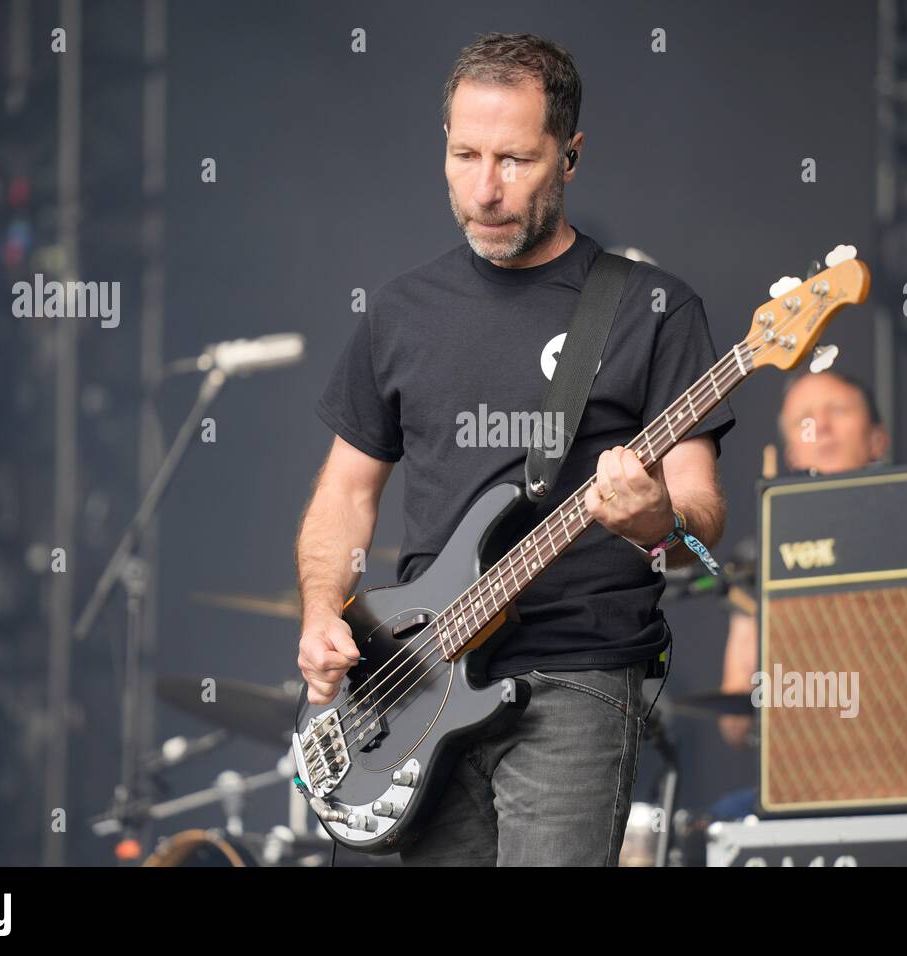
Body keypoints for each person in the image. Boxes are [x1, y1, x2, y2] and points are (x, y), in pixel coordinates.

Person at [295, 32, 736, 866]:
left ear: (570, 156)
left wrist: (657, 522)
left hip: (577, 676)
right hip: (417, 681)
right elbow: (347, 494)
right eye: (465, 155)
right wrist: (322, 607)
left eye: (515, 160)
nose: (485, 190)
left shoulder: (653, 310)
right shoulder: (401, 312)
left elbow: (703, 529)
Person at [711, 370, 888, 819]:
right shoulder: (761, 554)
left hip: (902, 764)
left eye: (839, 412)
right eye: (805, 420)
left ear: (877, 440)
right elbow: (733, 719)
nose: (821, 427)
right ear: (790, 452)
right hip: (800, 777)